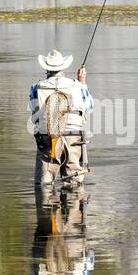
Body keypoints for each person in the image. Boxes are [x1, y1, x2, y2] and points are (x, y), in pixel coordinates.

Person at [28, 49, 93, 186]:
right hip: (74, 136)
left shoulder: (35, 88)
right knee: (74, 183)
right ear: (63, 68)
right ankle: (74, 203)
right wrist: (82, 82)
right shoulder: (77, 86)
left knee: (44, 184)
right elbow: (89, 107)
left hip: (48, 136)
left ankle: (45, 204)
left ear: (46, 69)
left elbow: (34, 116)